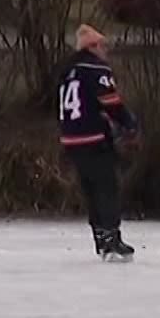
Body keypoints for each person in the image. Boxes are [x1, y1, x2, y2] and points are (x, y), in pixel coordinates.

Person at [57, 24, 139, 262]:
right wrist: (128, 122)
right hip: (93, 137)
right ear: (92, 47)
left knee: (91, 189)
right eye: (102, 45)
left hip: (71, 138)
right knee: (107, 187)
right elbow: (110, 101)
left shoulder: (67, 70)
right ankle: (112, 239)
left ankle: (100, 238)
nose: (105, 50)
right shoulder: (95, 69)